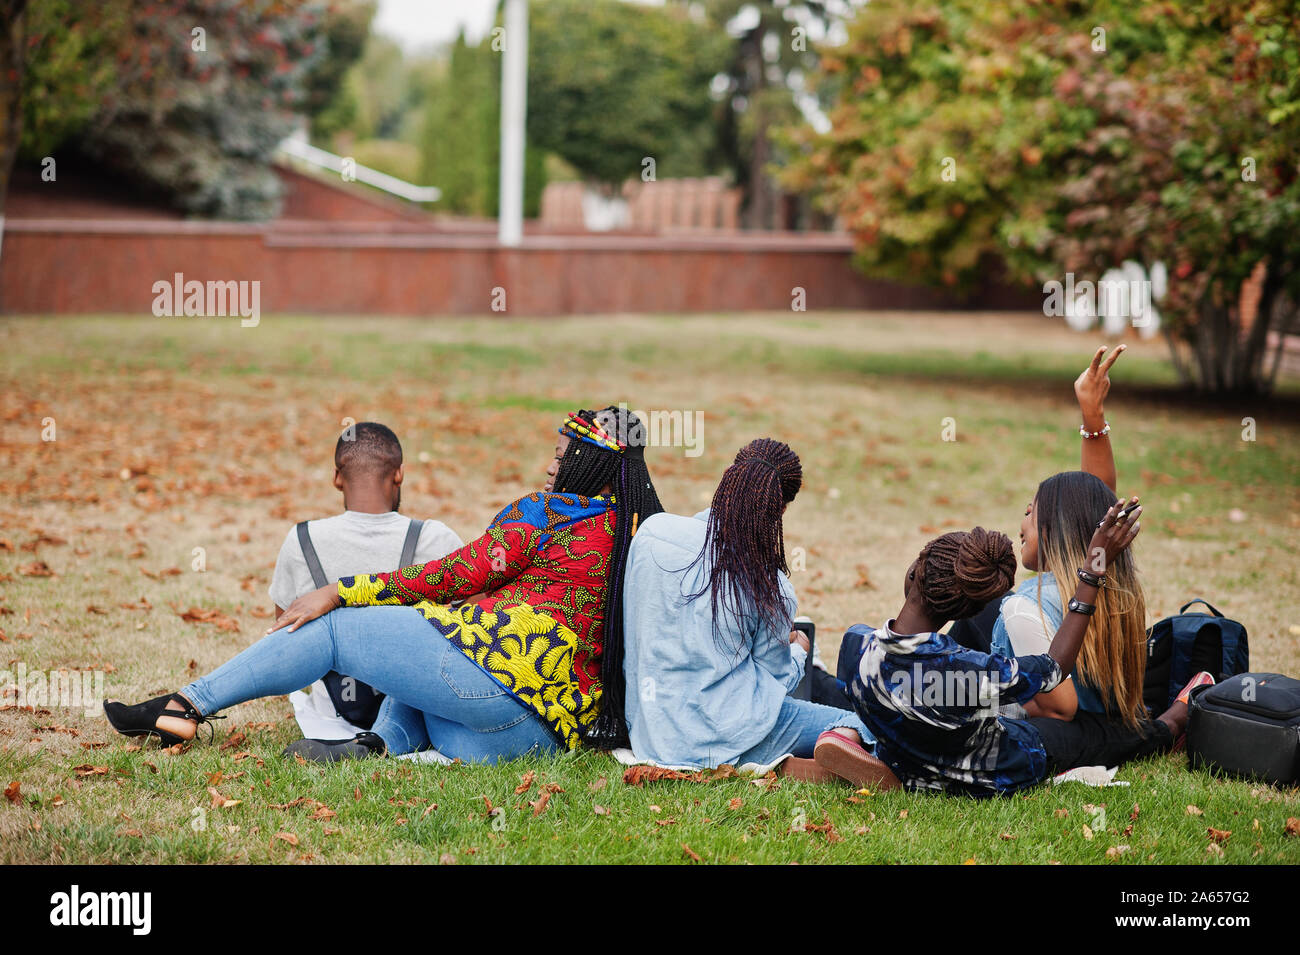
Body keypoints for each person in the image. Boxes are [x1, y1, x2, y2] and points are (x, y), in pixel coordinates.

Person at [105, 407, 663, 762]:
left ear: (587, 463)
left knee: (342, 629)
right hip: (529, 739)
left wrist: (341, 590)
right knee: (430, 642)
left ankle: (185, 705)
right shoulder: (639, 528)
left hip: (492, 695)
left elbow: (451, 576)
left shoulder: (549, 512)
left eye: (563, 455)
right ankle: (377, 744)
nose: (550, 465)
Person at [818, 515, 1214, 796]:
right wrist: (1091, 573)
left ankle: (857, 741)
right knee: (1099, 734)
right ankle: (1174, 720)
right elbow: (1055, 668)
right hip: (1003, 766)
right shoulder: (970, 673)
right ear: (965, 612)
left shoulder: (855, 645)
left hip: (914, 763)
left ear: (912, 573)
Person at [622, 438, 872, 774]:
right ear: (781, 508)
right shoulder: (770, 586)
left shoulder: (652, 533)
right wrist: (799, 653)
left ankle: (780, 764)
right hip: (732, 732)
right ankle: (788, 761)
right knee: (859, 723)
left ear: (727, 476)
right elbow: (773, 681)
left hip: (652, 732)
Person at [269, 422, 463, 729]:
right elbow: (479, 628)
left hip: (328, 716)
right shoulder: (436, 538)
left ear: (336, 478)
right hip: (419, 712)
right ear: (399, 473)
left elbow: (284, 636)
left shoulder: (301, 539)